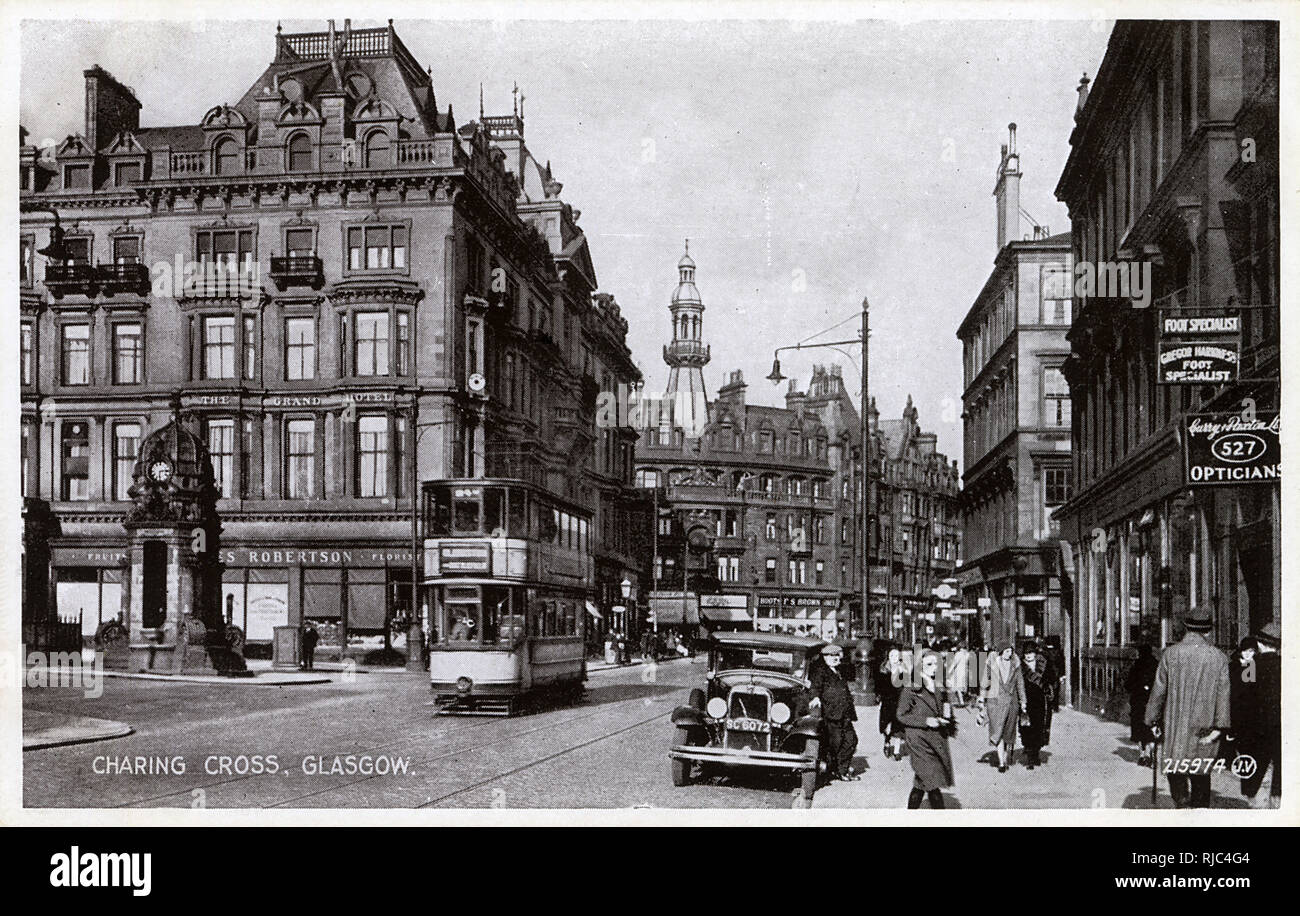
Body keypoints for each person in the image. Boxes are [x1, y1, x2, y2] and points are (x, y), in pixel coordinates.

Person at [1145, 608, 1231, 809]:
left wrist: (1151, 720)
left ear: (1186, 628)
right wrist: (1220, 727)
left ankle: (1182, 804)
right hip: (1206, 726)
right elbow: (1223, 696)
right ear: (1208, 631)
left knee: (1175, 767)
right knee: (1201, 772)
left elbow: (1158, 692)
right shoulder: (1219, 658)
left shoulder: (1170, 654)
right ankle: (1199, 812)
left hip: (1177, 726)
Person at [895, 650, 954, 808]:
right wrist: (926, 721)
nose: (934, 667)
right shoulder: (911, 687)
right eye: (929, 664)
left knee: (922, 782)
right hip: (918, 740)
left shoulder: (938, 685)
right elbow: (901, 715)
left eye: (936, 664)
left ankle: (910, 815)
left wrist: (946, 716)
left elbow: (941, 707)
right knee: (932, 782)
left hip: (935, 739)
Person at [1236, 623, 1281, 807]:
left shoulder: (1251, 666)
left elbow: (1243, 697)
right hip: (1280, 724)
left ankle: (1251, 799)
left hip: (1256, 726)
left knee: (1254, 763)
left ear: (1260, 644)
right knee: (1280, 763)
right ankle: (1276, 799)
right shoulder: (1285, 665)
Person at [807, 643, 861, 781]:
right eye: (831, 656)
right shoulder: (820, 671)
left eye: (837, 655)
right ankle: (839, 771)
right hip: (831, 714)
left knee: (851, 741)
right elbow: (815, 687)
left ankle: (840, 769)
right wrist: (815, 697)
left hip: (845, 714)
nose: (834, 658)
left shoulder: (839, 671)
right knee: (835, 744)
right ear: (825, 657)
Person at [978, 642, 1025, 772]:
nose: (1009, 654)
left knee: (1008, 733)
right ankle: (1001, 762)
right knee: (998, 731)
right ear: (1000, 652)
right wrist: (981, 698)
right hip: (995, 702)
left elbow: (1020, 683)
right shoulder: (992, 664)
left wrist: (1023, 701)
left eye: (1011, 651)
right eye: (1007, 651)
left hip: (1011, 703)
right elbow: (984, 682)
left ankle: (1006, 754)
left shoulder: (1016, 665)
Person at [1019, 641, 1053, 770]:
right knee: (1026, 728)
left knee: (1039, 727)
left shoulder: (1043, 664)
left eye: (1031, 653)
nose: (1028, 656)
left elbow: (1051, 679)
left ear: (1035, 653)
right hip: (1026, 701)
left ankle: (1036, 752)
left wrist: (1049, 691)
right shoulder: (1020, 667)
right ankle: (1030, 757)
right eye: (1026, 653)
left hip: (1041, 701)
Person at [1126, 644, 1159, 766]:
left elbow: (1129, 684)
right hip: (1153, 702)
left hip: (1138, 702)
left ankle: (1142, 755)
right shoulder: (1156, 665)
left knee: (1139, 728)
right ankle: (1151, 753)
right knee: (1152, 728)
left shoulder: (1137, 665)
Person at [876, 645, 905, 760]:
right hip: (887, 702)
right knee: (886, 727)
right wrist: (879, 698)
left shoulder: (903, 670)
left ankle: (897, 751)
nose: (894, 658)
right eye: (892, 655)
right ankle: (887, 742)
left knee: (898, 727)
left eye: (897, 655)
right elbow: (879, 687)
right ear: (888, 657)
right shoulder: (883, 669)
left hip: (899, 701)